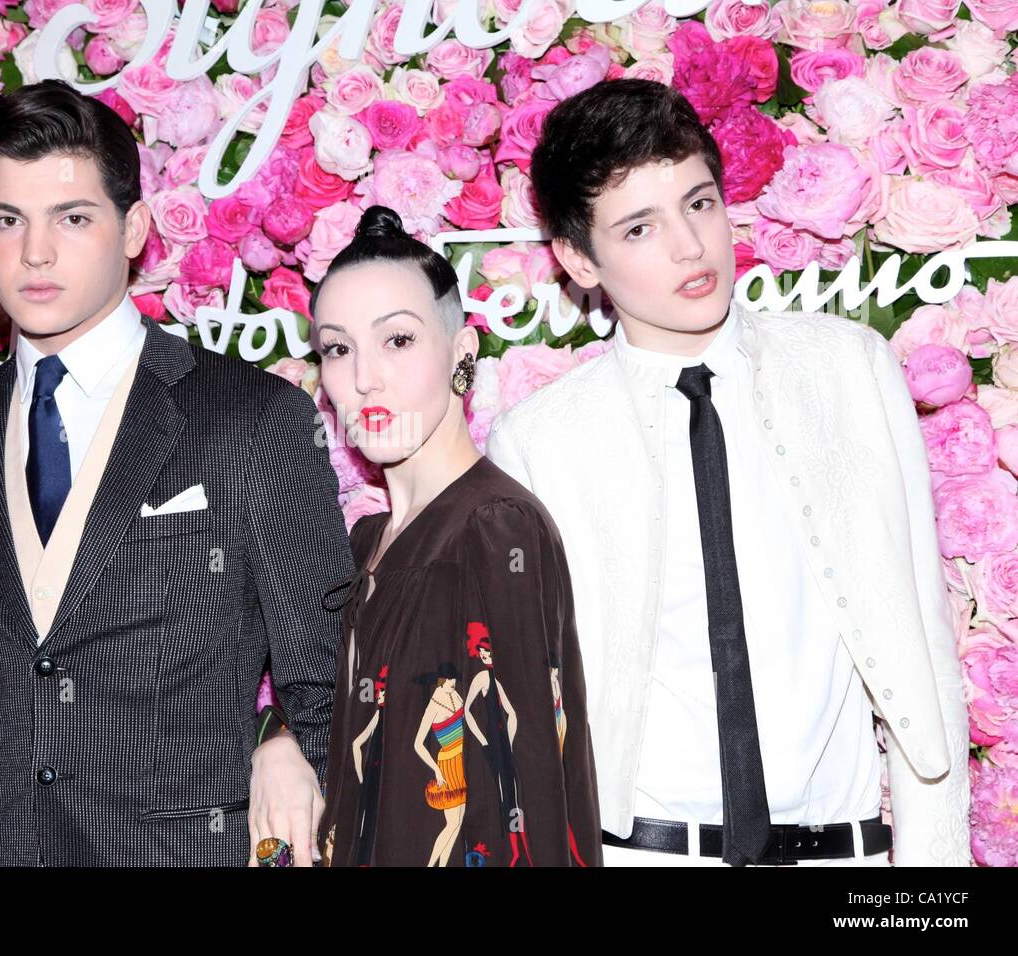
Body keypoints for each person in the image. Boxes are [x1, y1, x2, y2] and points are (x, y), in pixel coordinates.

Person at [486, 78, 971, 866]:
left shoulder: (848, 371)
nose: (689, 245)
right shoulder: (542, 440)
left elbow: (921, 629)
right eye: (640, 227)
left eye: (700, 203)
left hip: (842, 857)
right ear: (578, 257)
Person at [0, 80, 352, 867]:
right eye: (8, 221)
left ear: (133, 228)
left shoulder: (253, 418)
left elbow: (327, 686)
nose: (35, 253)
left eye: (72, 218)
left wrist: (278, 748)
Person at [311, 204, 603, 867]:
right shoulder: (365, 548)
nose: (364, 377)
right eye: (337, 348)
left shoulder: (496, 529)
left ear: (462, 353)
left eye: (399, 340)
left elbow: (528, 786)